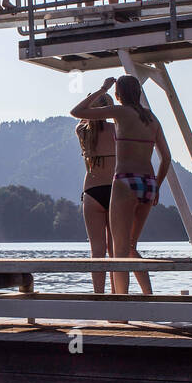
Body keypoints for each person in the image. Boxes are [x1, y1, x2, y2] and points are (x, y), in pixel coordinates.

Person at [71, 74, 171, 296]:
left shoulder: (121, 112)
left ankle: (120, 307)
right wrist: (158, 186)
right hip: (148, 183)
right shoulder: (152, 119)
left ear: (118, 95)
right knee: (131, 246)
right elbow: (166, 158)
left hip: (125, 181)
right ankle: (148, 296)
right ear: (139, 93)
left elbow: (77, 112)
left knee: (118, 249)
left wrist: (101, 88)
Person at [76, 95, 117, 293]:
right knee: (115, 250)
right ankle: (118, 294)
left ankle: (99, 296)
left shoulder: (82, 131)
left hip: (92, 192)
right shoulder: (116, 130)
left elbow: (78, 112)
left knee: (97, 250)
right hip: (115, 191)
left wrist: (95, 97)